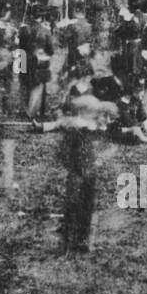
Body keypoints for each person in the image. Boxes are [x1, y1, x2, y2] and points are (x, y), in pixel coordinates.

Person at [56, 93, 115, 255]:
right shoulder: (76, 132)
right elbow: (63, 152)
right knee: (74, 206)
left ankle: (81, 241)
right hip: (79, 172)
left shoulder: (90, 131)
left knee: (86, 206)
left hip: (88, 172)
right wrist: (73, 166)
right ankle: (69, 242)